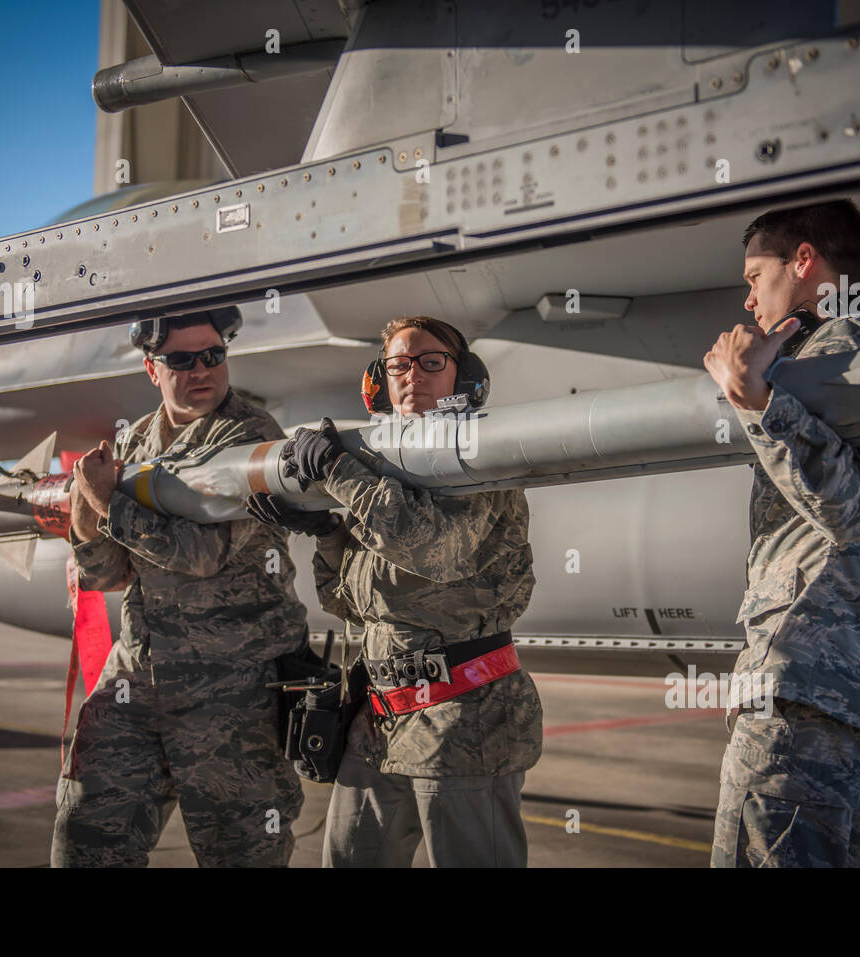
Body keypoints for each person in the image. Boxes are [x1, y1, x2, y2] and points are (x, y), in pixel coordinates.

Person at [702, 198, 860, 867]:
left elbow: (851, 513)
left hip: (811, 700)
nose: (749, 295)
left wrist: (755, 399)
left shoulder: (837, 350)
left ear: (804, 262)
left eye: (756, 275)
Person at [245, 316, 542, 867]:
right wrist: (326, 533)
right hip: (378, 717)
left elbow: (435, 551)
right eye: (398, 364)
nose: (413, 375)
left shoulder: (479, 460)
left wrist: (337, 470)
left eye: (432, 362)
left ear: (464, 376)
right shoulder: (387, 473)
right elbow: (352, 605)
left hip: (464, 717)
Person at [53, 306, 307, 867]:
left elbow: (199, 556)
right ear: (152, 369)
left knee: (240, 854)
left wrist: (104, 500)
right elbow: (106, 575)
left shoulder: (251, 435)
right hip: (138, 677)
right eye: (183, 360)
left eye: (213, 356)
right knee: (86, 839)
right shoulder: (137, 441)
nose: (202, 370)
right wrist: (82, 512)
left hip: (235, 690)